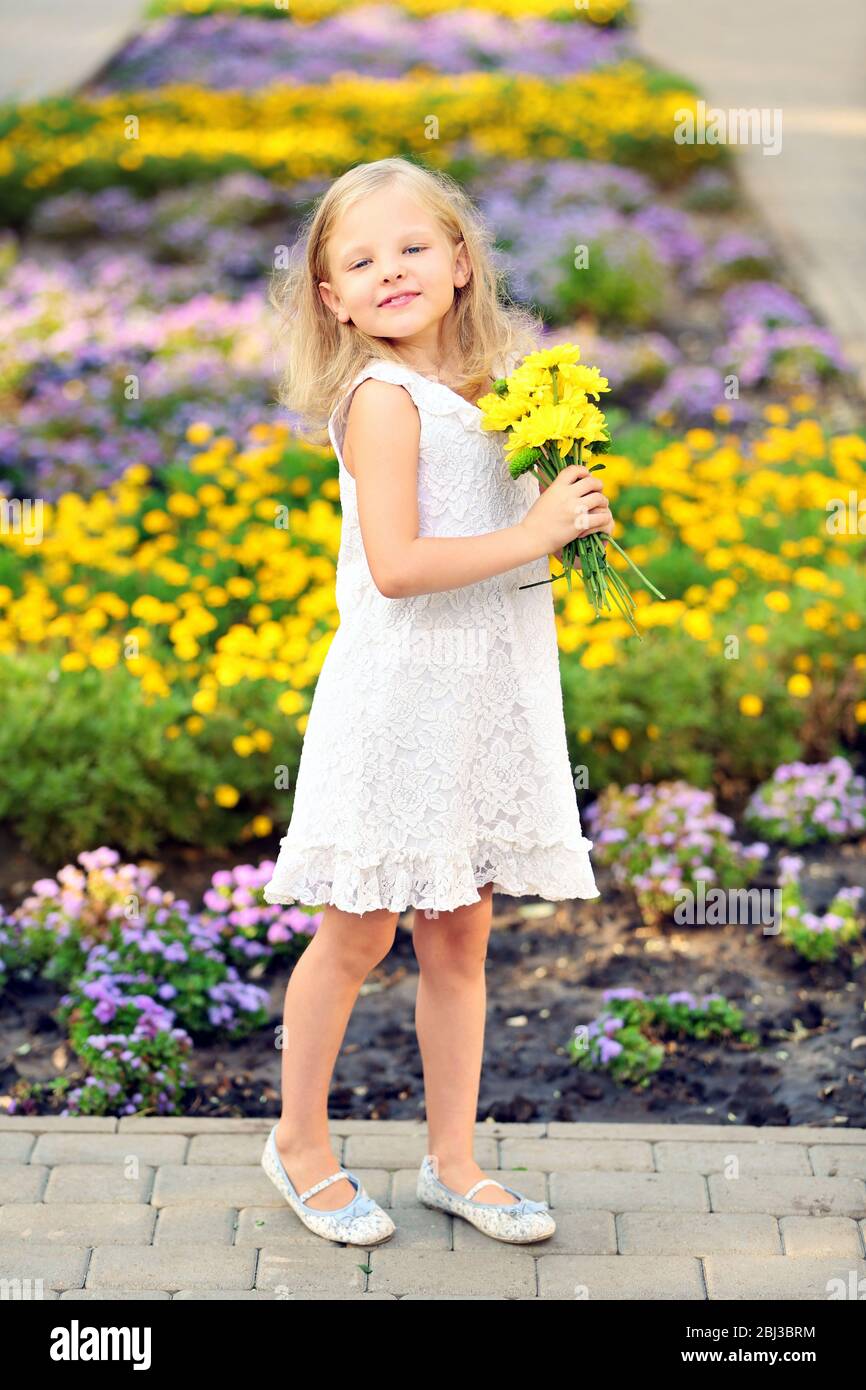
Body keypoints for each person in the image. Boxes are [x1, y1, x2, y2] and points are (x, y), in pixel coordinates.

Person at [260, 156, 613, 1246]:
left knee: (462, 938)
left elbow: (503, 549)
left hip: (482, 697)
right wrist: (535, 530)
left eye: (413, 247)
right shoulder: (381, 399)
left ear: (460, 262)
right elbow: (402, 564)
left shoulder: (505, 393)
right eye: (359, 262)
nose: (391, 271)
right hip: (399, 703)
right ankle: (299, 1143)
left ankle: (450, 1158)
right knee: (357, 933)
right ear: (332, 299)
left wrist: (569, 512)